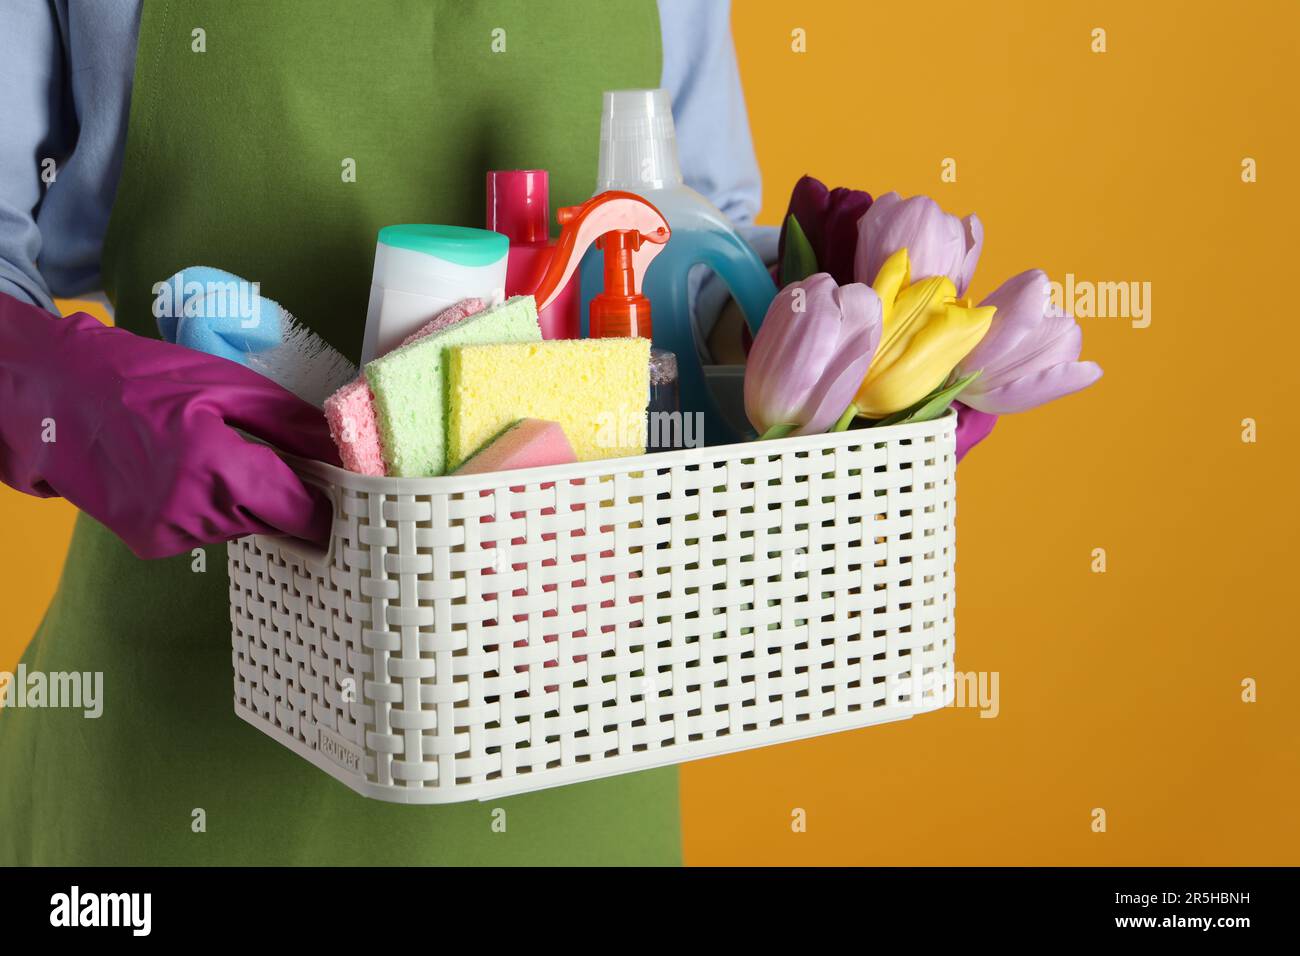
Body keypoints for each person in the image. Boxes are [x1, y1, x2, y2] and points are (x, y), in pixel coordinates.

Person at [0, 0, 762, 865]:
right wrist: (51, 388)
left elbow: (697, 260)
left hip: (581, 740)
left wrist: (828, 338)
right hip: (183, 759)